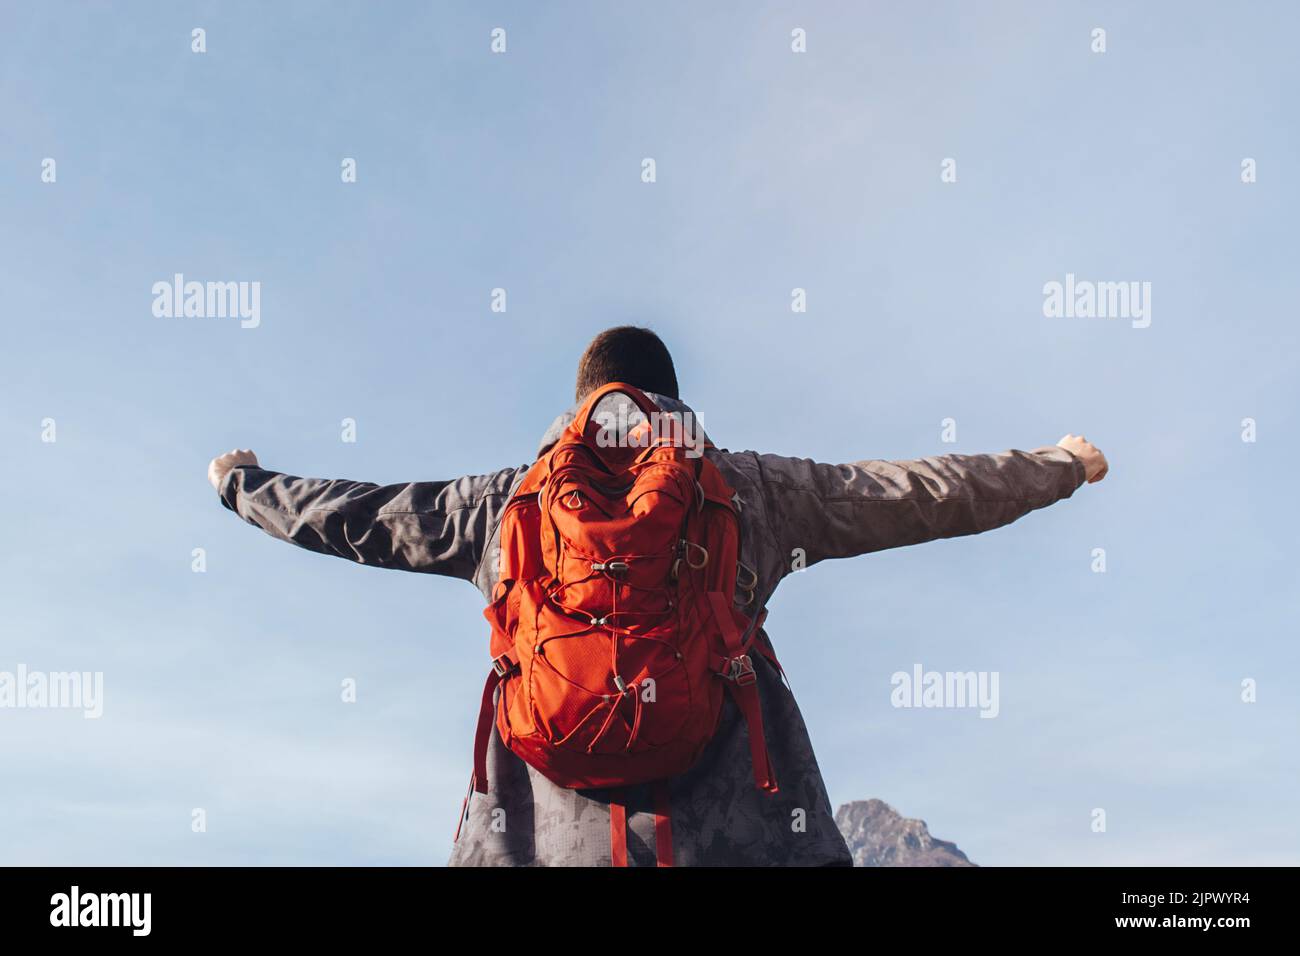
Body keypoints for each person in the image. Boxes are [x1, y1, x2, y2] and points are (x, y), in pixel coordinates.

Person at [208, 326, 1108, 866]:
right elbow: (918, 492)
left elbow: (361, 517)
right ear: (677, 401)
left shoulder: (505, 502)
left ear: (576, 403)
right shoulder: (747, 488)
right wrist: (1060, 466)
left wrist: (244, 486)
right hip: (741, 838)